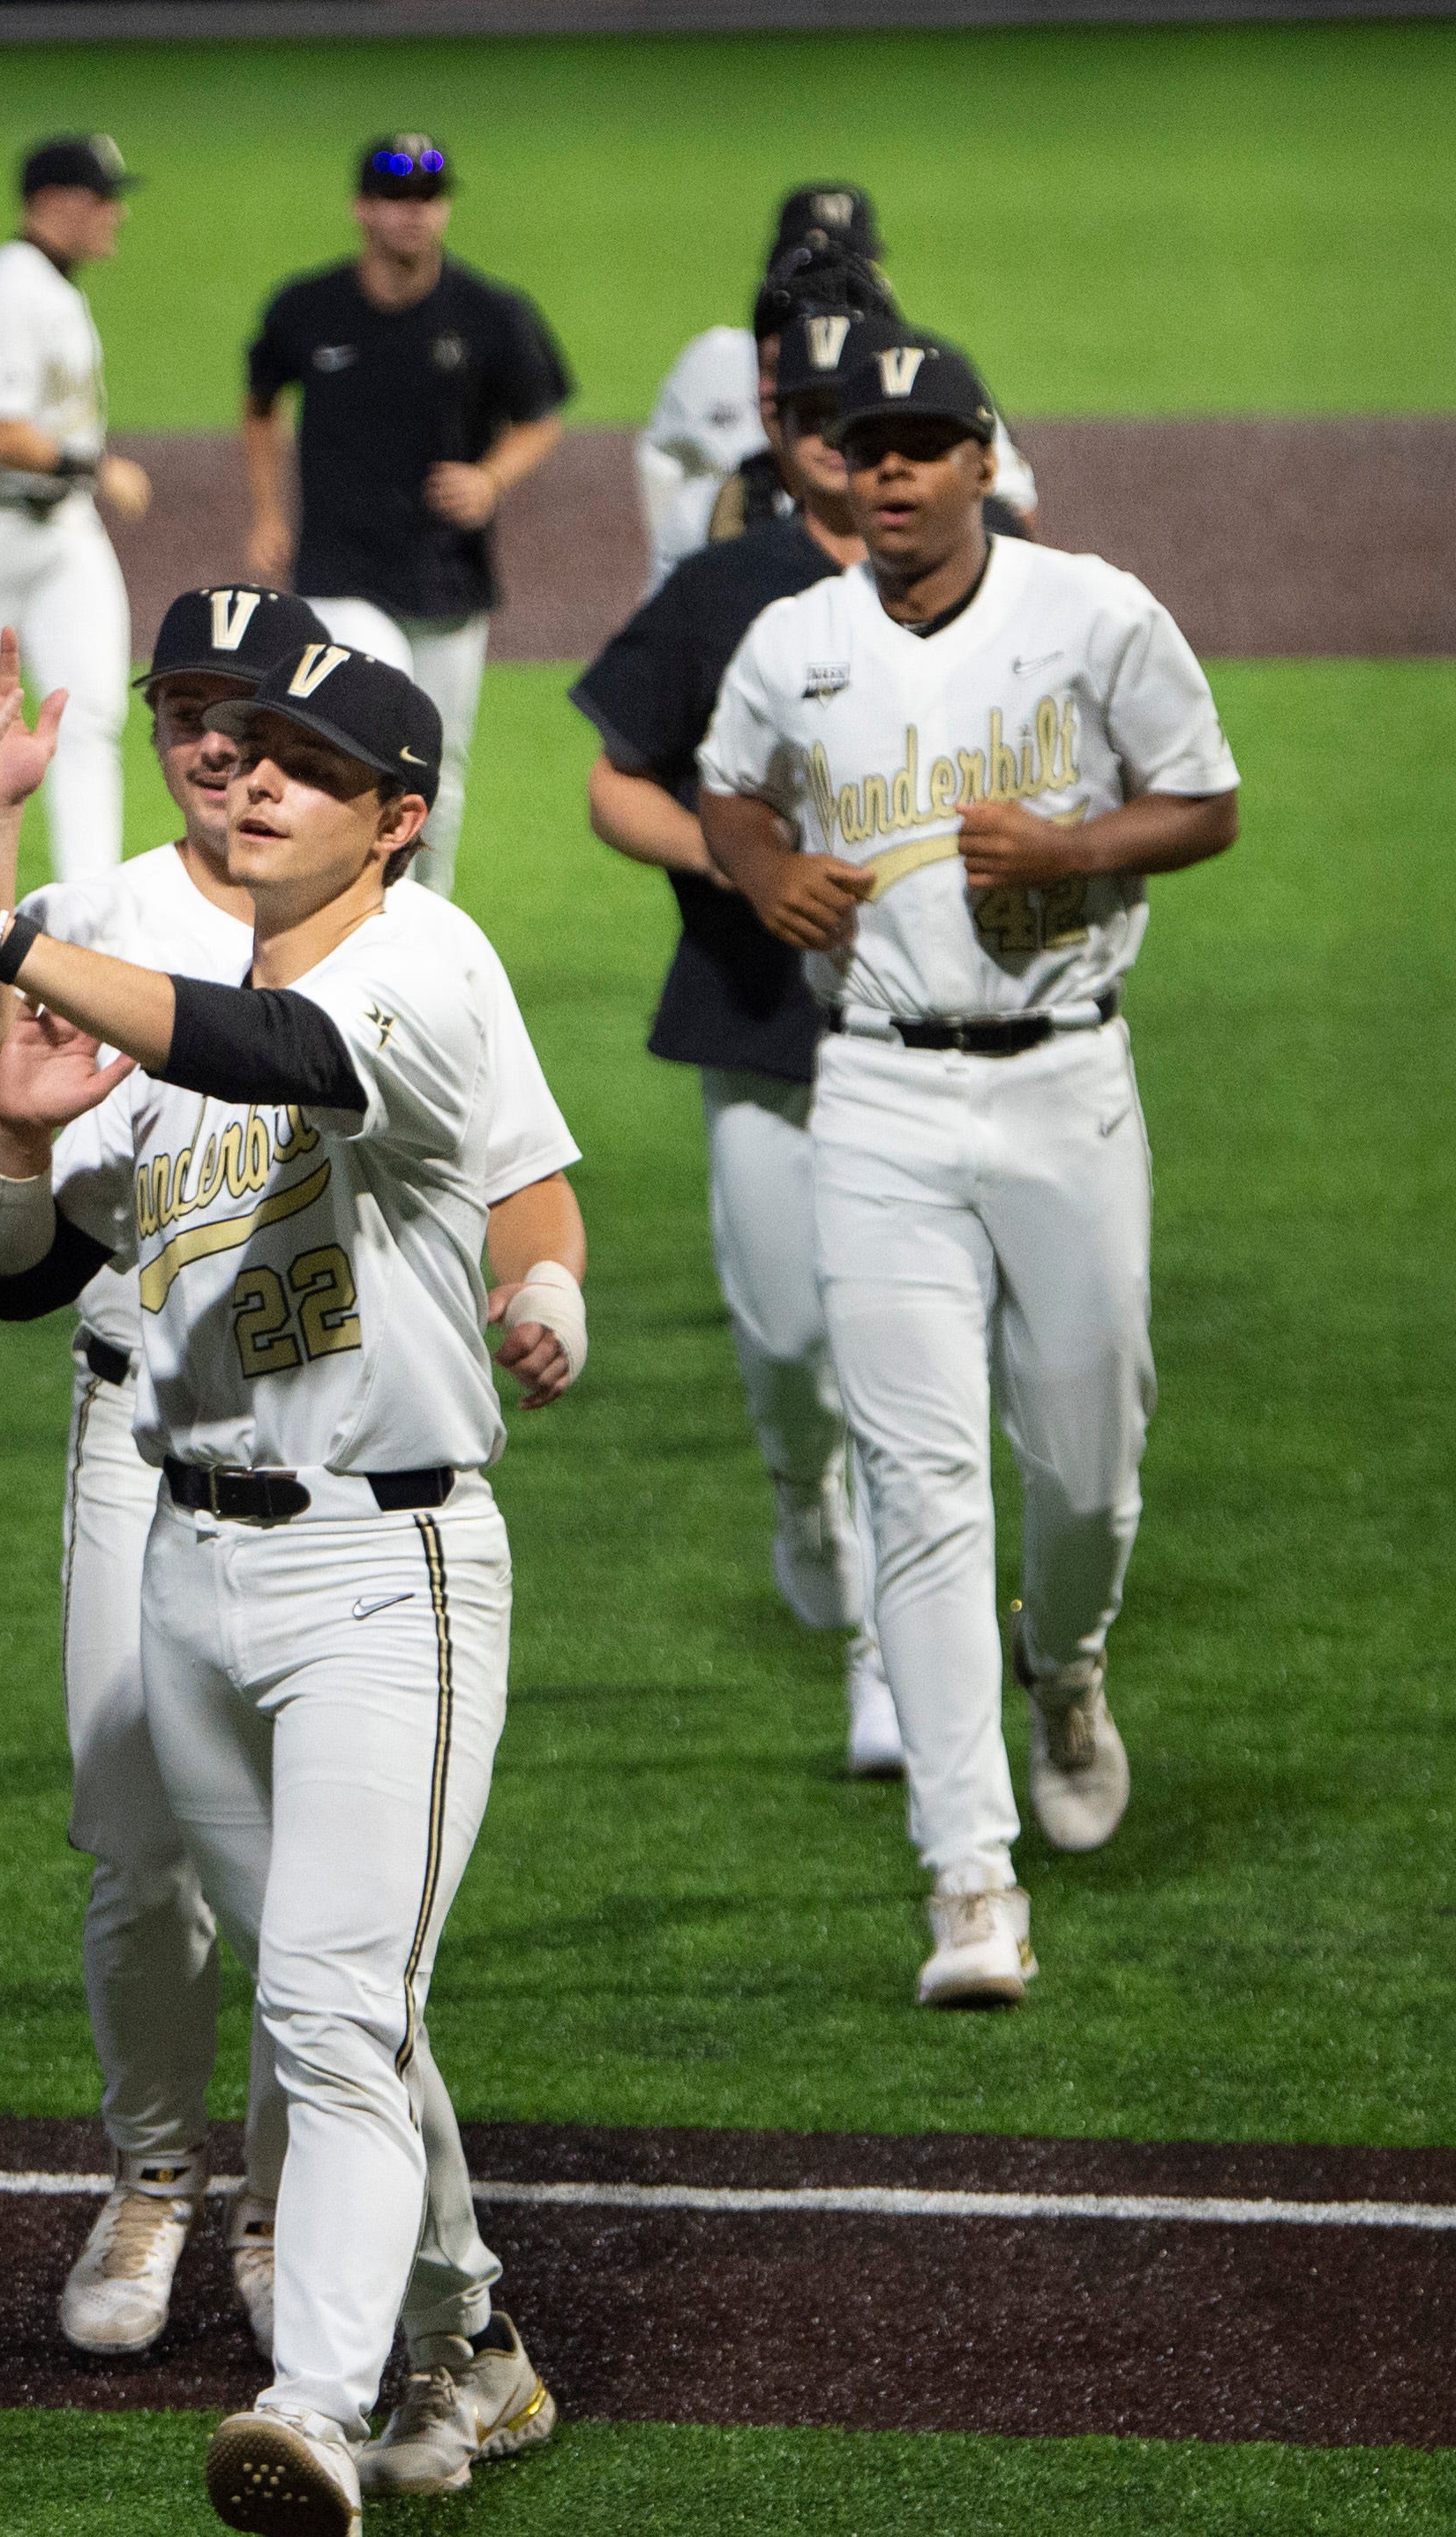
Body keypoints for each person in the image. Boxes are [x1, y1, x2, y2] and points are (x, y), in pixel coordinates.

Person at [0, 639, 582, 2534]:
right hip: (188, 1571)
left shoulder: (418, 966)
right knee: (325, 2006)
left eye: (316, 760)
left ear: (397, 814)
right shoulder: (183, 999)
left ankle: (314, 2405)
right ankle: (472, 2351)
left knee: (334, 2010)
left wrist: (9, 945)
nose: (260, 777)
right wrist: (22, 1133)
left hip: (385, 1567)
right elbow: (24, 1274)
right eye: (249, 749)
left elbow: (280, 1060)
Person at [696, 334, 1240, 2008]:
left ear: (981, 460)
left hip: (1066, 1075)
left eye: (924, 445)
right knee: (920, 1488)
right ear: (834, 468)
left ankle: (1062, 1667)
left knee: (1085, 1455)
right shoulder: (792, 637)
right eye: (869, 446)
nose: (892, 472)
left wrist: (1074, 848)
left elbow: (1206, 802)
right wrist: (766, 869)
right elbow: (723, 791)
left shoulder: (1090, 609)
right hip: (871, 1085)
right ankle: (967, 1878)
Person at [574, 290, 900, 1775]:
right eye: (822, 422)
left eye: (876, 424)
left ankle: (890, 1668)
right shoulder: (723, 592)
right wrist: (738, 864)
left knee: (908, 1354)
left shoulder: (982, 577)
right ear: (781, 432)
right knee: (783, 1340)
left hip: (938, 1035)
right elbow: (613, 782)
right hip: (760, 1018)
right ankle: (796, 1486)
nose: (849, 449)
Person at [240, 132, 568, 897]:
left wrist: (490, 478)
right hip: (337, 574)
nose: (411, 217)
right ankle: (322, 906)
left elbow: (540, 416)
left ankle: (418, 921)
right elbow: (259, 408)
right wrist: (265, 513)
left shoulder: (488, 314)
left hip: (443, 577)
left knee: (436, 770)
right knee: (355, 749)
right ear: (362, 208)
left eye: (426, 200)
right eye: (394, 200)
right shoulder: (308, 309)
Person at [0, 132, 150, 889]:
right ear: (52, 203)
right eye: (101, 198)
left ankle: (92, 911)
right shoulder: (10, 287)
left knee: (89, 717)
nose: (115, 214)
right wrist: (94, 467)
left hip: (62, 527)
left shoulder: (52, 285)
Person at [637, 185, 1039, 592]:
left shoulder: (938, 388)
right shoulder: (715, 512)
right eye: (809, 410)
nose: (830, 429)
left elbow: (1014, 521)